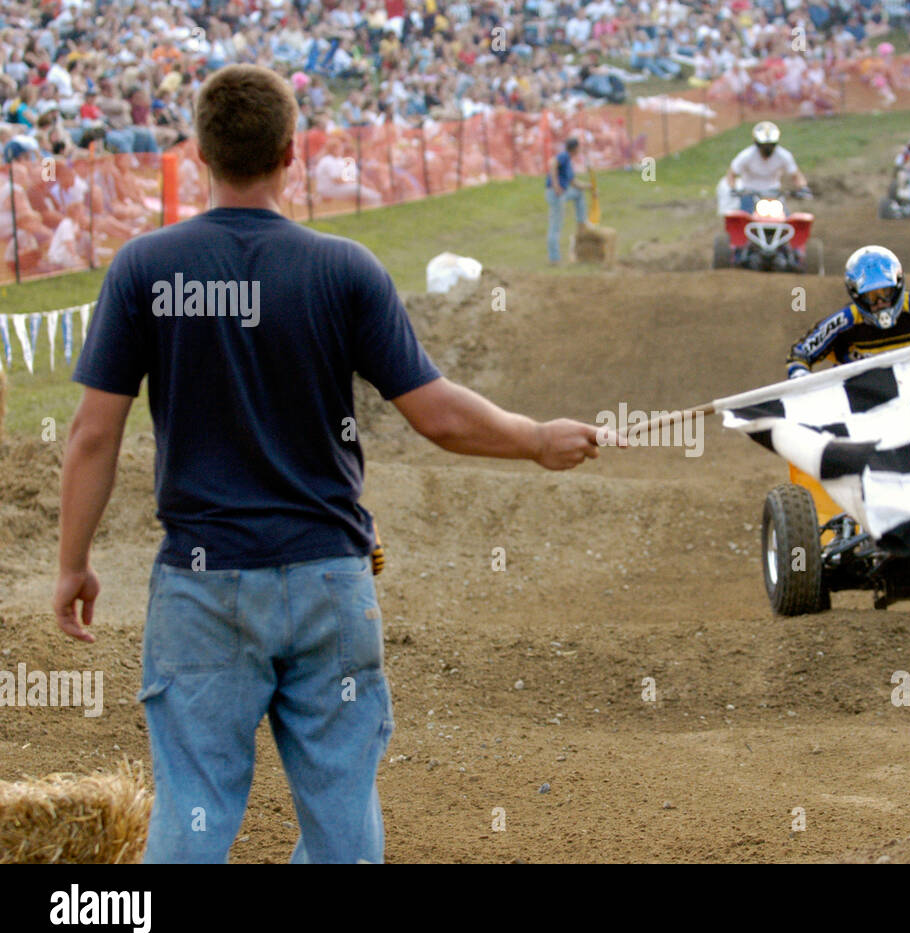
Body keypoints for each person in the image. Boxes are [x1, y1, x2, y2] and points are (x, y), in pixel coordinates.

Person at [55, 64, 607, 864]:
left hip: (202, 588)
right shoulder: (345, 269)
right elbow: (438, 415)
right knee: (344, 830)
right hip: (328, 579)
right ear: (291, 154)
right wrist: (536, 438)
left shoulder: (145, 268)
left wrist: (73, 563)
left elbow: (93, 434)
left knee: (191, 820)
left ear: (199, 155)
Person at [786, 245, 910, 377]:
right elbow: (800, 354)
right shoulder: (845, 321)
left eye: (886, 293)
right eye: (871, 296)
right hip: (864, 406)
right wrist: (800, 376)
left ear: (898, 286)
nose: (880, 302)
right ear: (856, 296)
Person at [725, 121, 810, 213]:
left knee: (786, 219)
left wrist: (803, 188)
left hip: (774, 194)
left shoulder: (783, 156)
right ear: (757, 144)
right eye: (764, 146)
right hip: (749, 193)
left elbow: (796, 175)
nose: (767, 148)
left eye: (771, 145)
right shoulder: (746, 156)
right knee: (743, 219)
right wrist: (732, 189)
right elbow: (731, 174)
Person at [545, 135, 589, 264]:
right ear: (575, 148)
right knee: (555, 225)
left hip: (563, 192)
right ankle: (554, 258)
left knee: (579, 194)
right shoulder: (564, 156)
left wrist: (588, 186)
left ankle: (582, 222)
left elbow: (573, 182)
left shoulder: (568, 161)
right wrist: (556, 185)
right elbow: (552, 163)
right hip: (556, 194)